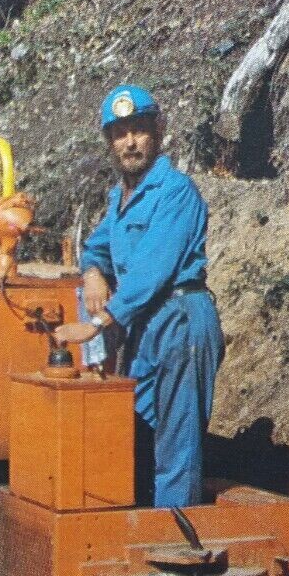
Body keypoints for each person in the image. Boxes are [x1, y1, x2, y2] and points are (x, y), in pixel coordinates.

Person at [53, 84, 224, 509]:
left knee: (176, 441)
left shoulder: (175, 191)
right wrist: (93, 273)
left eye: (138, 130)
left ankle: (175, 536)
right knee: (138, 428)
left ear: (157, 131)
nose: (129, 142)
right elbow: (96, 248)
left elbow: (151, 271)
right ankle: (143, 525)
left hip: (180, 320)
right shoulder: (121, 199)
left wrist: (98, 322)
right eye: (119, 133)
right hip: (144, 325)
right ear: (109, 141)